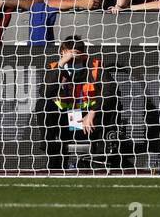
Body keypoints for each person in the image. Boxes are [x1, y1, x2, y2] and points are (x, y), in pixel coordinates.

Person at [37, 37, 111, 171]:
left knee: (110, 105)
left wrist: (92, 112)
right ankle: (53, 158)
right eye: (67, 55)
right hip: (64, 122)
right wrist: (61, 66)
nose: (70, 60)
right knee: (42, 104)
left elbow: (110, 91)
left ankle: (99, 161)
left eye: (74, 56)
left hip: (87, 122)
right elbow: (45, 92)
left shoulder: (94, 67)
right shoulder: (54, 67)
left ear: (83, 56)